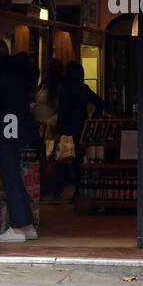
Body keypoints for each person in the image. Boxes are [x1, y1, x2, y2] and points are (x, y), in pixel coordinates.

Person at [0, 40, 40, 242]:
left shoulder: (2, 73)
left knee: (10, 177)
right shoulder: (20, 72)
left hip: (6, 129)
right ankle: (27, 225)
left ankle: (16, 228)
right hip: (18, 127)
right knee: (15, 176)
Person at [55, 60, 106, 201]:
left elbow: (63, 111)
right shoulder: (83, 88)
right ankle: (78, 190)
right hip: (82, 127)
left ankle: (58, 190)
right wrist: (92, 120)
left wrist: (58, 130)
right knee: (79, 161)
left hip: (67, 128)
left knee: (62, 159)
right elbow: (100, 103)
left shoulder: (65, 89)